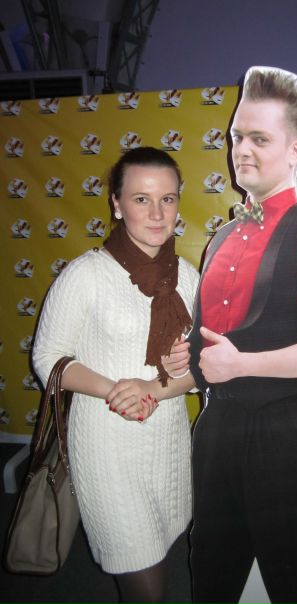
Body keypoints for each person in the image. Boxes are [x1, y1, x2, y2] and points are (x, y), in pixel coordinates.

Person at [163, 66, 297, 604]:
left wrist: (243, 364)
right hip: (218, 421)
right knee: (211, 555)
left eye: (259, 139)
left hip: (284, 424)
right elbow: (213, 337)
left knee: (286, 559)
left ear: (295, 151)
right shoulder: (221, 236)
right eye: (236, 136)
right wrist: (189, 356)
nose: (241, 150)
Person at [32, 146, 199, 604]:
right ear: (117, 204)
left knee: (159, 547)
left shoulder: (188, 277)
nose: (157, 213)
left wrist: (158, 385)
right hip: (106, 447)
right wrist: (115, 391)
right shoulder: (85, 274)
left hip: (167, 441)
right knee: (143, 579)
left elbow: (205, 367)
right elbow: (47, 358)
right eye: (141, 199)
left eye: (167, 198)